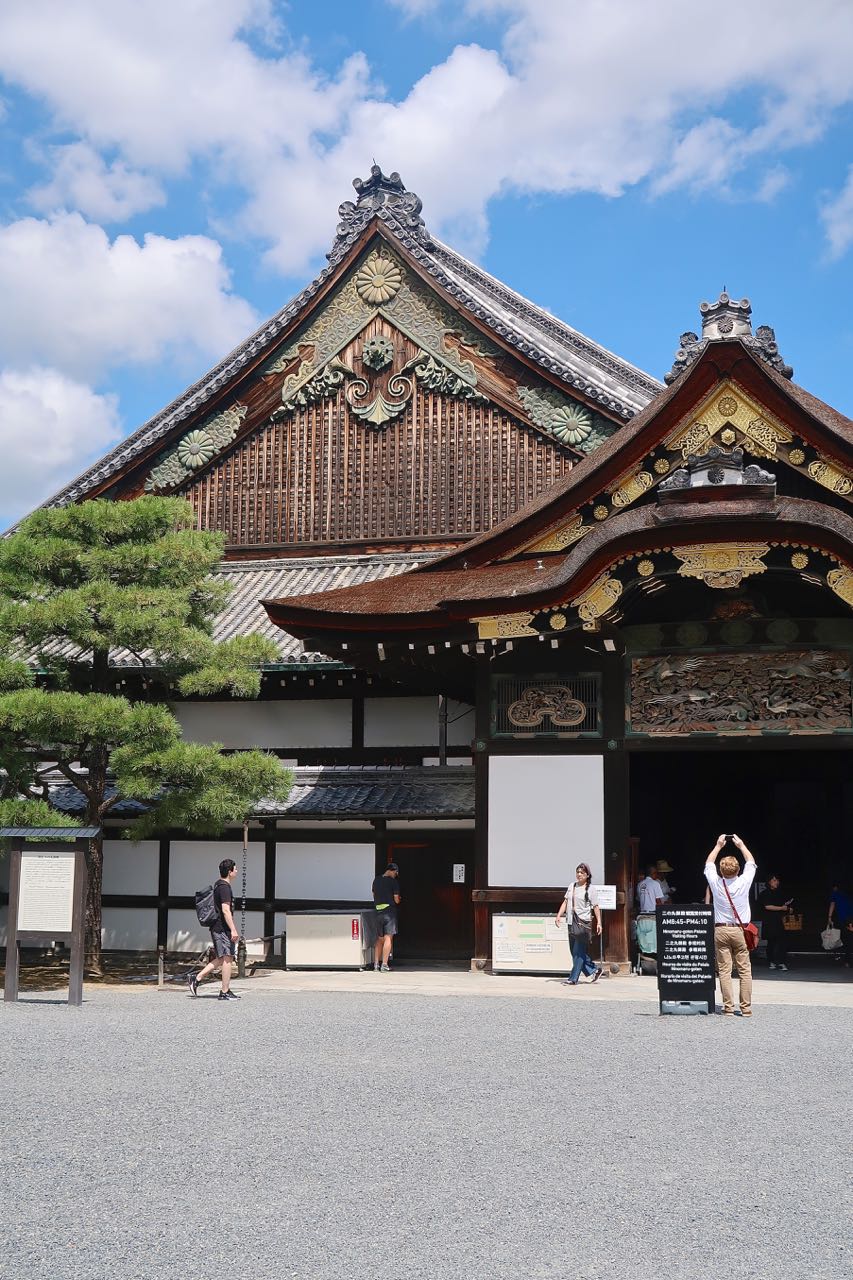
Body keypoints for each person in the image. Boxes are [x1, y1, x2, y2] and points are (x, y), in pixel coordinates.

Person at [705, 833, 757, 1017]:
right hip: (740, 929)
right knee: (744, 969)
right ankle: (746, 1008)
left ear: (721, 870)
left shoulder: (716, 883)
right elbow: (751, 862)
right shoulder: (744, 881)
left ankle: (728, 1007)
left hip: (720, 928)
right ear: (737, 870)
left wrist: (718, 845)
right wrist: (741, 845)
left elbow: (708, 864)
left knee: (724, 970)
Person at [187, 858, 240, 1001]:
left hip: (218, 927)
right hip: (222, 928)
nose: (237, 871)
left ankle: (196, 977)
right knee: (228, 958)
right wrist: (233, 930)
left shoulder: (218, 885)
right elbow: (226, 910)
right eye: (235, 869)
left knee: (222, 958)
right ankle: (224, 991)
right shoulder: (224, 888)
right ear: (229, 872)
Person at [555, 862, 603, 986]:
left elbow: (596, 907)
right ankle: (594, 969)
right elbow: (565, 901)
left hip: (583, 924)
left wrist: (599, 923)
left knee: (578, 952)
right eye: (578, 872)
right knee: (574, 951)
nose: (579, 874)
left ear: (587, 875)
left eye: (582, 872)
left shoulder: (591, 889)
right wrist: (559, 915)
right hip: (571, 922)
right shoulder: (572, 886)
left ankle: (573, 978)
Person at [757, 874, 793, 971]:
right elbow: (767, 906)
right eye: (773, 880)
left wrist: (788, 909)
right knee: (771, 942)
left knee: (782, 941)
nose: (776, 882)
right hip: (770, 921)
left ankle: (781, 962)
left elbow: (786, 904)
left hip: (780, 921)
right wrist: (781, 908)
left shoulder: (781, 893)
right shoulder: (765, 893)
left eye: (777, 880)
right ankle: (771, 961)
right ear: (769, 882)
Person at [371, 862, 401, 972]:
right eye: (396, 873)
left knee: (379, 939)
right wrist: (398, 899)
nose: (396, 875)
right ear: (392, 871)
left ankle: (375, 965)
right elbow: (396, 899)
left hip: (378, 911)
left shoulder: (376, 880)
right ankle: (384, 964)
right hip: (389, 912)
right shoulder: (393, 882)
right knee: (388, 937)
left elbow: (373, 894)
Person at [827, 882, 853, 966]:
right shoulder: (847, 894)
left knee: (847, 939)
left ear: (835, 887)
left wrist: (829, 917)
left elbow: (832, 904)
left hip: (846, 919)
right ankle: (847, 960)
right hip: (849, 917)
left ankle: (847, 961)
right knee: (849, 938)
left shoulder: (835, 894)